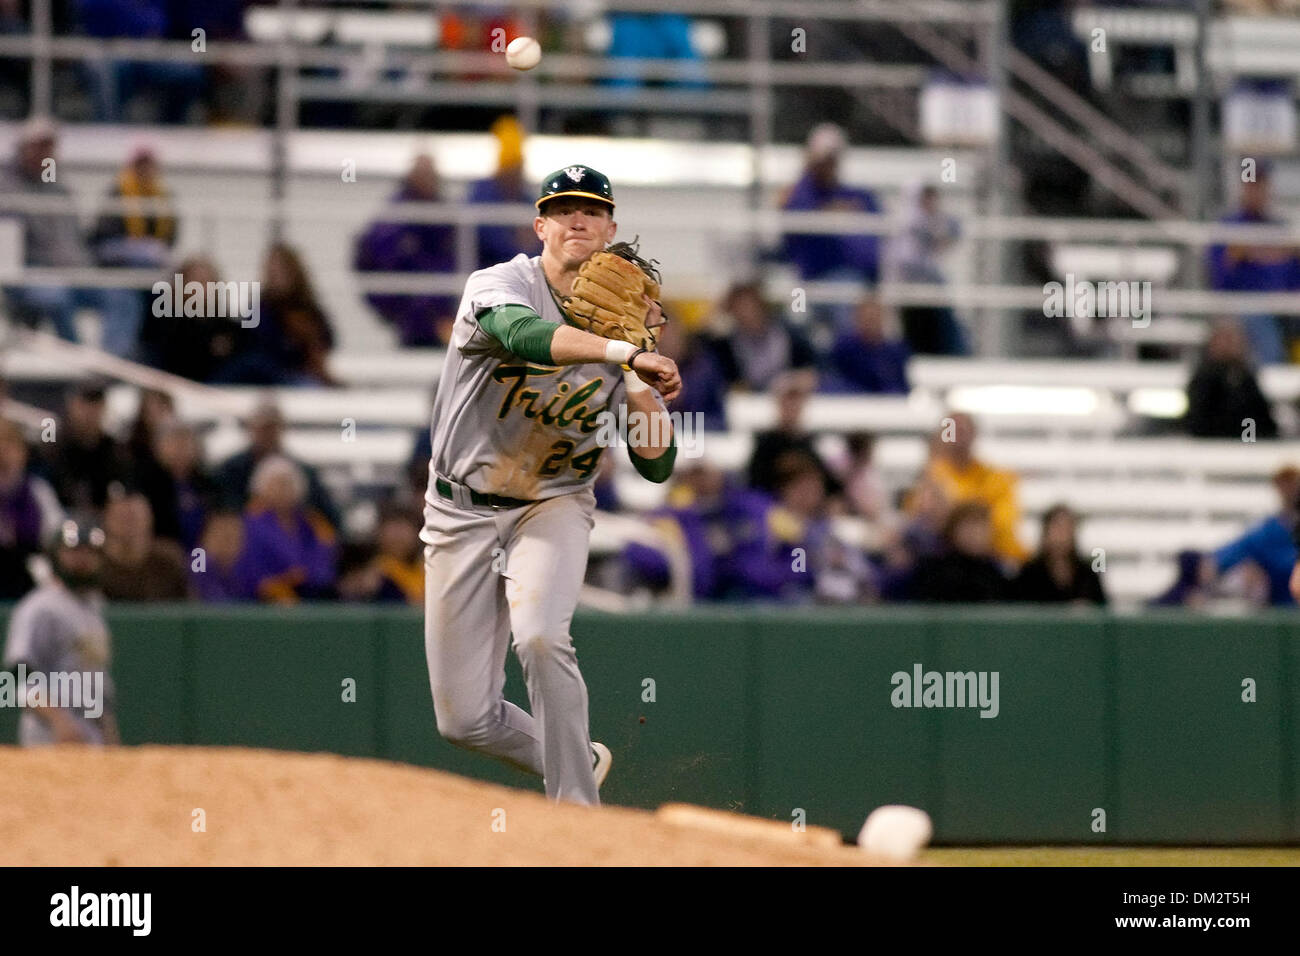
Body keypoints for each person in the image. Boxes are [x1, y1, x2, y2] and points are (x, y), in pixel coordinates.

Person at [421, 163, 681, 805]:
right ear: (540, 225)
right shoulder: (500, 283)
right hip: (462, 508)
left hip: (553, 502)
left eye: (590, 210)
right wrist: (620, 355)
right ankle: (578, 761)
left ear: (610, 228)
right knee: (464, 719)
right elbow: (520, 335)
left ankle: (575, 819)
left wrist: (641, 379)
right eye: (562, 209)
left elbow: (656, 465)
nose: (576, 220)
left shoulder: (629, 335)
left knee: (539, 635)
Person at [0, 117, 142, 357]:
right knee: (56, 296)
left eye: (49, 147)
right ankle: (78, 360)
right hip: (33, 272)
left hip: (76, 271)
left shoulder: (59, 187)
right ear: (22, 148)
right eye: (38, 146)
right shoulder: (6, 188)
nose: (45, 153)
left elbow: (76, 238)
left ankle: (109, 364)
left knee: (124, 297)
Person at [3, 517, 120, 745]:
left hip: (91, 736)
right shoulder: (41, 607)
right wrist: (59, 722)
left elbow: (97, 685)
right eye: (74, 551)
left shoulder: (93, 607)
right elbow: (17, 678)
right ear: (56, 555)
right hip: (49, 736)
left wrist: (109, 734)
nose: (83, 558)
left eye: (91, 551)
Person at [354, 153, 458, 347]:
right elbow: (381, 261)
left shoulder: (446, 217)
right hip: (411, 311)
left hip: (441, 308)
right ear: (411, 177)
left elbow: (449, 260)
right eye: (423, 174)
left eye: (431, 175)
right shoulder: (394, 217)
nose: (429, 181)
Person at [1206, 163, 1300, 365]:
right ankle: (1273, 383)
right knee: (1260, 323)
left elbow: (1293, 276)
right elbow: (1220, 279)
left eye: (1260, 184)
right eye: (1251, 185)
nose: (1256, 191)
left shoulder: (1280, 228)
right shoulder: (1228, 227)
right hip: (1243, 306)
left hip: (1283, 306)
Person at [779, 123, 882, 301]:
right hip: (814, 278)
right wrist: (828, 210)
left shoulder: (855, 195)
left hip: (860, 276)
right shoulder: (801, 194)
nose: (827, 166)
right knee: (845, 292)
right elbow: (796, 216)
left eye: (832, 160)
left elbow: (878, 216)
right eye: (823, 160)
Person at [213, 243, 336, 386]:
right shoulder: (260, 308)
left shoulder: (308, 309)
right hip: (268, 374)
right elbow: (257, 345)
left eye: (281, 271)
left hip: (294, 374)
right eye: (272, 271)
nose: (276, 277)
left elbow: (328, 340)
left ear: (294, 272)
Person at [213, 399, 341, 531]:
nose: (268, 434)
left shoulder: (304, 471)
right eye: (263, 428)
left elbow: (329, 516)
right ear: (251, 428)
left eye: (273, 428)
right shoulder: (230, 470)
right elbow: (224, 512)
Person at [918, 412, 1028, 565]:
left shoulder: (998, 477)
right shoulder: (933, 475)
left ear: (974, 434)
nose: (957, 438)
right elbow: (921, 516)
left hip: (995, 557)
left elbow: (1003, 523)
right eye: (951, 431)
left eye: (962, 431)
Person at [239, 455, 338, 604]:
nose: (282, 490)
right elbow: (249, 569)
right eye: (276, 484)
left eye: (287, 484)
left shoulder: (314, 523)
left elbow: (324, 560)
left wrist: (303, 576)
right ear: (261, 489)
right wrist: (279, 586)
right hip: (263, 601)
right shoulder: (248, 524)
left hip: (310, 596)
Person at [888, 182, 967, 356]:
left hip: (927, 292)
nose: (932, 205)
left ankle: (956, 354)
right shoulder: (909, 222)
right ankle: (956, 354)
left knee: (944, 319)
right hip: (909, 292)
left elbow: (955, 228)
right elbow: (908, 262)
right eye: (927, 200)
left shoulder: (929, 221)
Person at [1209, 466, 1299, 607]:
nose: (1291, 490)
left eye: (1293, 483)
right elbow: (1220, 559)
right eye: (1285, 484)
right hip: (1282, 616)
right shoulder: (1268, 532)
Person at [705, 281, 818, 393]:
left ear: (761, 304)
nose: (745, 311)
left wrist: (798, 378)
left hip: (786, 397)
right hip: (749, 402)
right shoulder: (724, 346)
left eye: (749, 304)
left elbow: (811, 367)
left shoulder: (789, 335)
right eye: (738, 306)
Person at [40, 378, 131, 512]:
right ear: (72, 405)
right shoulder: (53, 447)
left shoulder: (115, 450)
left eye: (97, 403)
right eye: (85, 403)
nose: (90, 411)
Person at [746, 369, 839, 497]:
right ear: (779, 404)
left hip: (811, 513)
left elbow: (830, 486)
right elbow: (755, 486)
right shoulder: (766, 445)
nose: (793, 406)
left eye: (797, 400)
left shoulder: (810, 444)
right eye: (788, 400)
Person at [0, 418, 64, 599]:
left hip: (30, 576)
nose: (3, 454)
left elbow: (55, 537)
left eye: (10, 447)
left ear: (23, 453)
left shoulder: (39, 492)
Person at [1184, 318, 1277, 440]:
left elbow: (1262, 422)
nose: (1229, 345)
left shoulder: (1247, 379)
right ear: (1212, 343)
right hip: (1207, 447)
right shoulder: (1202, 379)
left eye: (1233, 340)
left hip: (1245, 447)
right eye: (1224, 339)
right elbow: (1196, 422)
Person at [466, 116, 537, 270]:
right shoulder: (481, 193)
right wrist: (515, 241)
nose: (516, 173)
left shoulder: (524, 197)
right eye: (512, 167)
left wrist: (532, 237)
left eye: (518, 167)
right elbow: (484, 235)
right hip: (484, 267)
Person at [88, 146, 177, 270]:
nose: (146, 170)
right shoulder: (118, 191)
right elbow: (103, 231)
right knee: (149, 254)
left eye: (149, 166)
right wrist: (132, 242)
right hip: (117, 246)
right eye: (142, 165)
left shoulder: (163, 195)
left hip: (149, 251)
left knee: (155, 255)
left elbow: (170, 237)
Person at [909, 501, 1010, 603]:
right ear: (953, 531)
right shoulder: (933, 570)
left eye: (981, 528)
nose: (975, 535)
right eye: (969, 527)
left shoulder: (997, 571)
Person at [98, 491, 189, 601]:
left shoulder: (168, 560)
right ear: (106, 520)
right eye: (121, 517)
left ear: (150, 519)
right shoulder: (93, 562)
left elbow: (189, 608)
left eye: (133, 517)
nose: (128, 525)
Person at [1012, 504, 1107, 605]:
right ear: (1045, 532)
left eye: (1066, 529)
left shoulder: (1087, 575)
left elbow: (1103, 611)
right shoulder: (1029, 574)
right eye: (1056, 528)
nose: (1061, 537)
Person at [826, 296, 911, 394]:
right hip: (852, 401)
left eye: (874, 318)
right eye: (867, 319)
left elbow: (901, 385)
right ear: (857, 319)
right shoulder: (844, 349)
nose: (871, 323)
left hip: (888, 403)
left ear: (882, 319)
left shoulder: (896, 350)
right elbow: (835, 380)